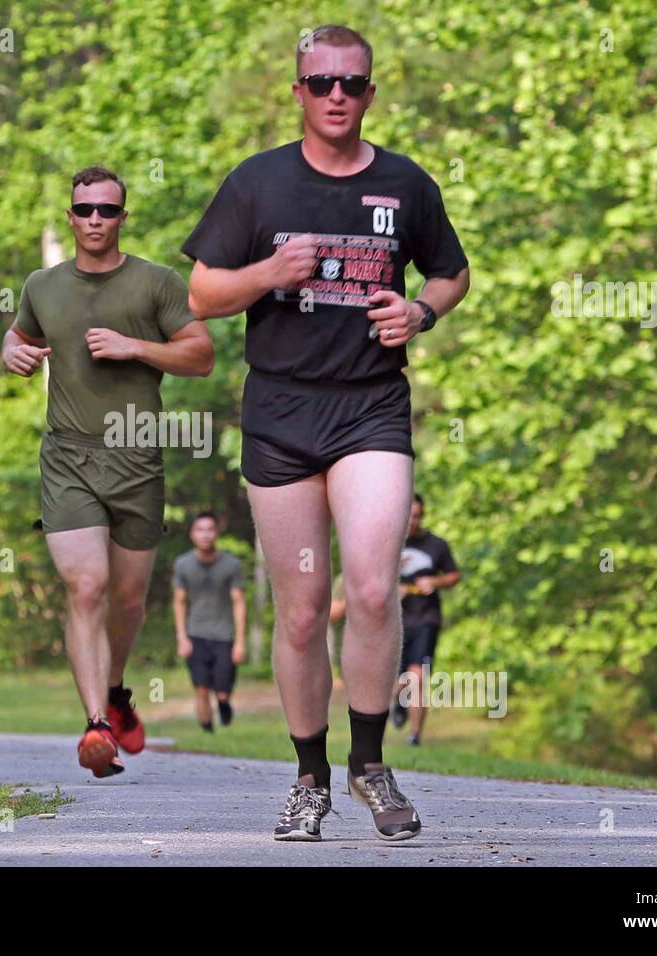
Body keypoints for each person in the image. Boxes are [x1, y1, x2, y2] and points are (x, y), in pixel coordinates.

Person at [183, 24, 470, 841]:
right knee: (304, 609)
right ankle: (309, 778)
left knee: (374, 589)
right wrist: (269, 274)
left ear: (371, 92)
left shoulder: (404, 183)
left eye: (352, 83)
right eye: (321, 83)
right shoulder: (258, 183)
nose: (336, 95)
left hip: (370, 409)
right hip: (280, 415)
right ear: (299, 91)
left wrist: (419, 311)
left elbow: (452, 272)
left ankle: (371, 764)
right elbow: (202, 295)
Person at [1, 166, 214, 777]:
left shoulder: (157, 282)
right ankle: (96, 725)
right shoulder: (43, 285)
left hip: (137, 454)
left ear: (124, 217)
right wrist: (11, 352)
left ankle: (117, 692)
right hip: (67, 456)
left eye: (107, 210)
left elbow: (201, 356)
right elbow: (16, 337)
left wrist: (136, 347)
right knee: (87, 586)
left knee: (127, 598)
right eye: (84, 208)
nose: (95, 219)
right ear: (70, 216)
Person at [392, 493, 461, 745]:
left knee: (418, 677)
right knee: (397, 679)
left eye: (417, 515)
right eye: (409, 515)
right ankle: (398, 702)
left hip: (425, 619)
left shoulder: (436, 545)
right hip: (393, 621)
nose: (413, 520)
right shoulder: (387, 541)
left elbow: (454, 576)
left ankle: (415, 735)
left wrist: (435, 581)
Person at [173, 511, 247, 731]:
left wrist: (240, 641)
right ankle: (207, 729)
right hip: (195, 634)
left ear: (217, 533)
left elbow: (239, 602)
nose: (205, 535)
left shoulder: (231, 565)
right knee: (201, 688)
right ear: (192, 534)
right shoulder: (182, 564)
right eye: (200, 530)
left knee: (222, 689)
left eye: (209, 530)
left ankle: (223, 703)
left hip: (224, 635)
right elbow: (179, 601)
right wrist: (181, 637)